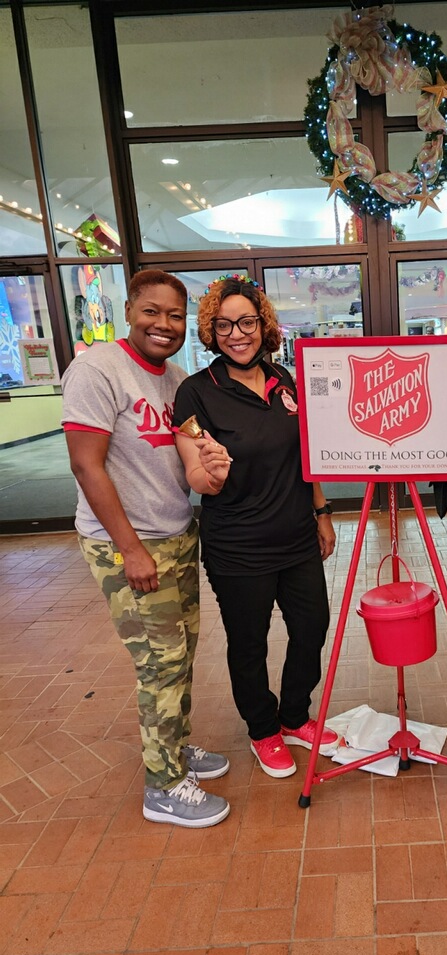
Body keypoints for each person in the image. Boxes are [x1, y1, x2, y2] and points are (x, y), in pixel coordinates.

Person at [61, 269, 230, 829]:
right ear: (128, 309)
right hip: (127, 545)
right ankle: (162, 786)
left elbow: (187, 456)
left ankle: (176, 750)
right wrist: (131, 549)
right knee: (161, 663)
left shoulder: (175, 379)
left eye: (175, 315)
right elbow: (87, 464)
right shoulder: (97, 369)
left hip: (178, 534)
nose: (163, 324)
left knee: (184, 650)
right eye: (151, 311)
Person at [172, 275, 338, 779]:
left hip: (296, 536)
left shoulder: (284, 380)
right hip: (238, 546)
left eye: (246, 322)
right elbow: (195, 473)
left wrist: (322, 512)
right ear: (211, 331)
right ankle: (263, 729)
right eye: (223, 325)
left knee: (312, 626)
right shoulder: (196, 393)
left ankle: (294, 716)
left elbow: (307, 458)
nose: (236, 334)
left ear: (263, 326)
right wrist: (213, 476)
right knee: (249, 643)